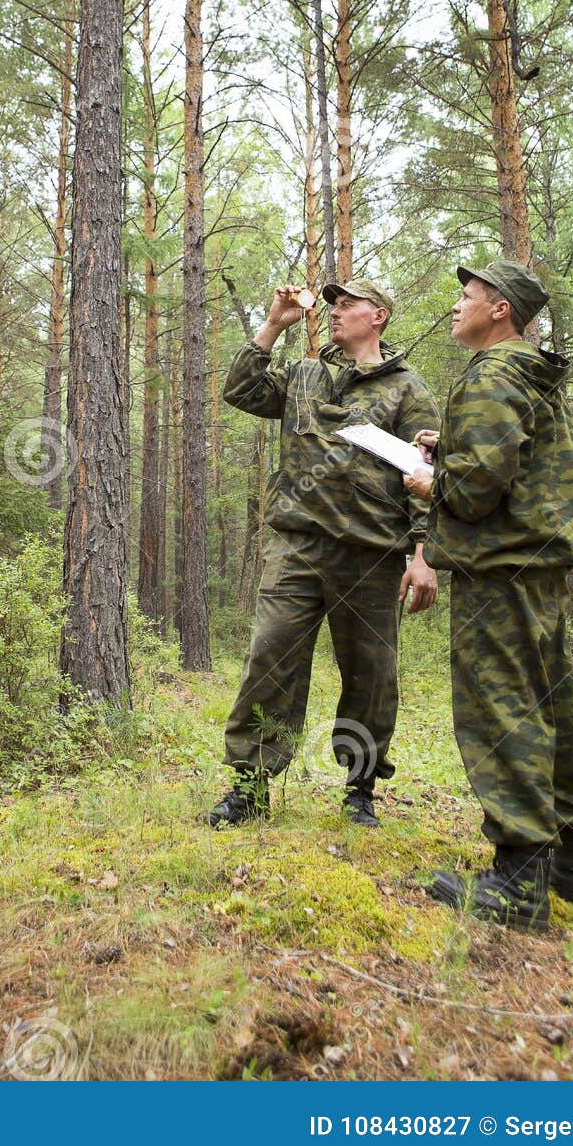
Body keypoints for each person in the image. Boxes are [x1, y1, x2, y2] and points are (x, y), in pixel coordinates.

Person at [403, 259, 573, 931]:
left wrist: (430, 482)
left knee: (502, 712)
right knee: (549, 711)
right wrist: (448, 444)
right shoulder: (522, 373)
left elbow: (479, 486)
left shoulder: (493, 372)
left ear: (498, 310)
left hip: (502, 568)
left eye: (465, 296)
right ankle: (571, 869)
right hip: (537, 568)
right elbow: (506, 458)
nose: (456, 306)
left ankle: (518, 881)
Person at [203, 277, 440, 829]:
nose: (335, 312)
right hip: (296, 546)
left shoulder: (408, 389)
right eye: (332, 304)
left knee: (371, 674)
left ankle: (360, 790)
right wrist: (272, 326)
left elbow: (426, 474)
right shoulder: (305, 373)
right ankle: (249, 786)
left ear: (378, 316)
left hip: (372, 554)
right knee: (270, 660)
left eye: (348, 304)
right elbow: (240, 391)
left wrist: (423, 555)